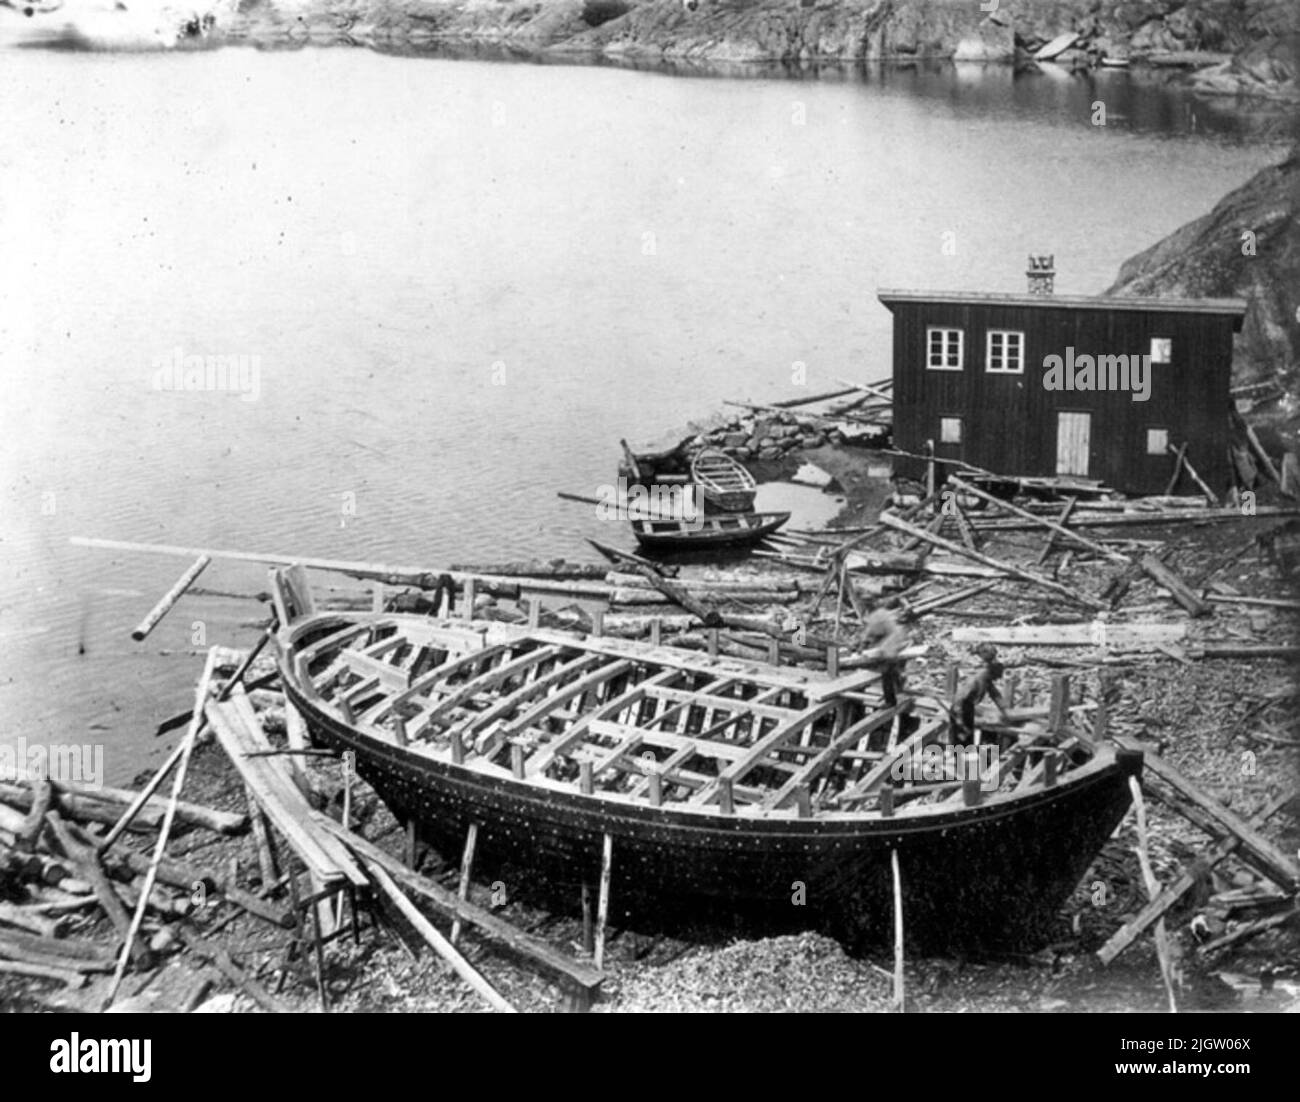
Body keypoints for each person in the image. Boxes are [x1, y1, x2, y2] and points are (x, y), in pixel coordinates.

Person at [950, 643, 1009, 747]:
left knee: (968, 738)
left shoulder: (986, 680)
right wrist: (959, 719)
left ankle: (964, 759)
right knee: (962, 738)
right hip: (960, 709)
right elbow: (959, 700)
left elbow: (995, 696)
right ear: (991, 673)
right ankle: (959, 760)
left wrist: (1006, 711)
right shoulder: (974, 681)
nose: (997, 679)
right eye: (996, 676)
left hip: (968, 708)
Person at [861, 605, 907, 707]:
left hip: (891, 646)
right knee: (892, 671)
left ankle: (890, 701)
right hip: (893, 644)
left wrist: (868, 646)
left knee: (886, 674)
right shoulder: (880, 616)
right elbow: (869, 636)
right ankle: (899, 689)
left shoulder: (877, 619)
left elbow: (873, 634)